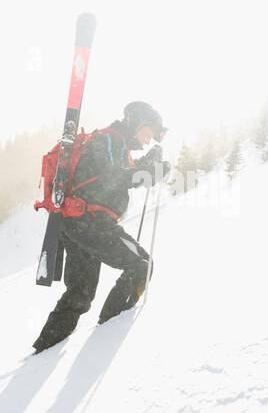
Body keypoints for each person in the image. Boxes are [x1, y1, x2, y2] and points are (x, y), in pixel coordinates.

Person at [33, 101, 171, 352]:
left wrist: (145, 167)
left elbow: (118, 173)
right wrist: (145, 170)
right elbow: (112, 176)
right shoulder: (109, 139)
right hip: (89, 222)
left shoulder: (118, 146)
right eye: (147, 133)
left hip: (77, 223)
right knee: (141, 265)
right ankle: (105, 341)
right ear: (135, 122)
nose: (148, 140)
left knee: (81, 293)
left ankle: (42, 352)